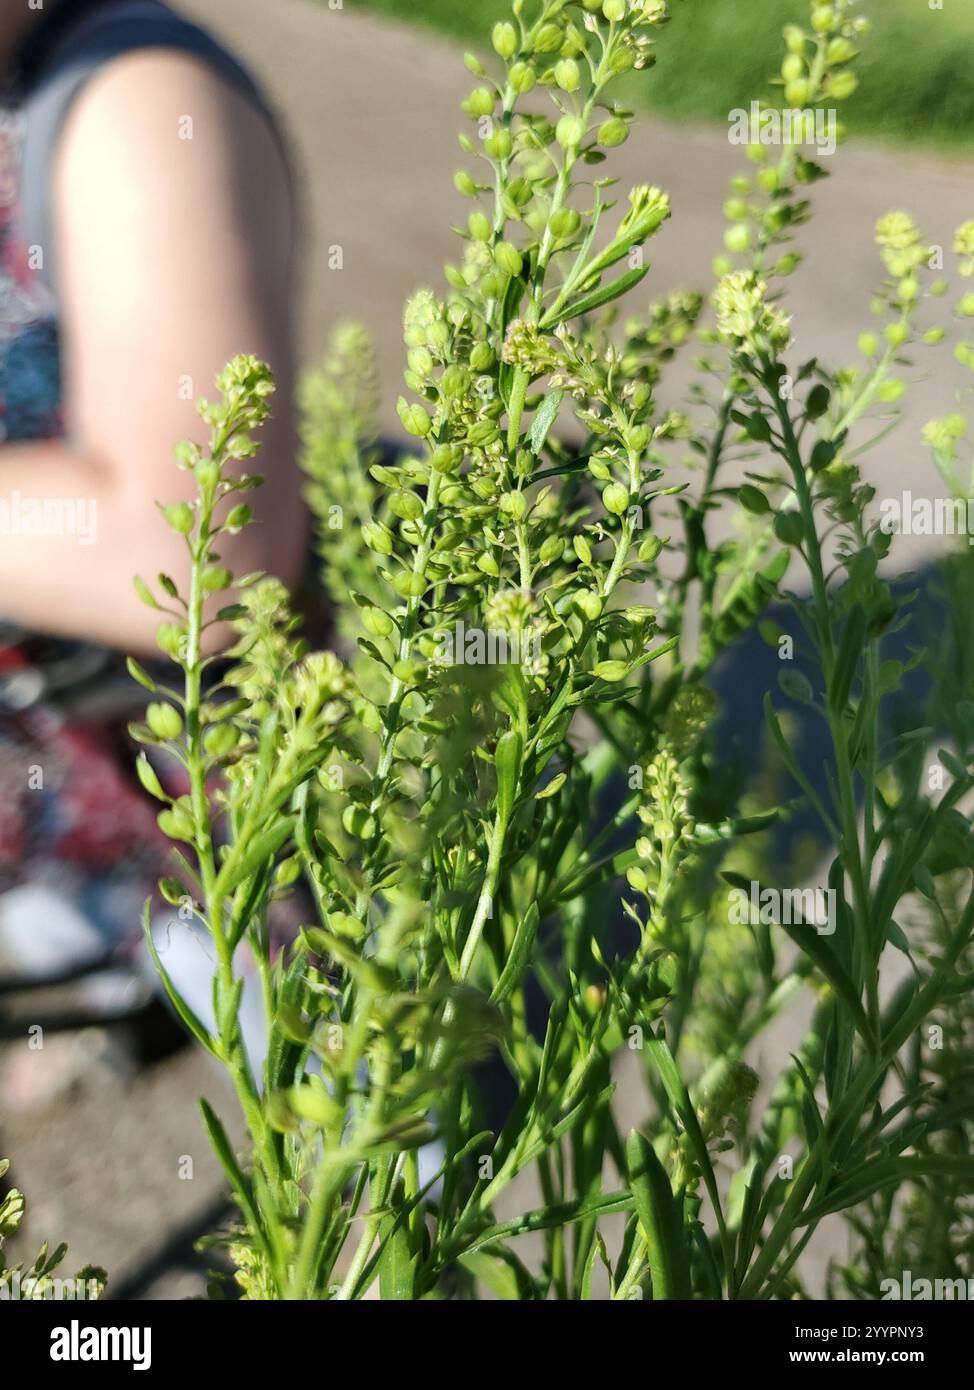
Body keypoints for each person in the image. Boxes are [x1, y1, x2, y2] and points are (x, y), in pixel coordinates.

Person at [0, 0, 307, 1094]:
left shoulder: (134, 97)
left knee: (362, 1161)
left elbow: (199, 561)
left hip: (179, 806)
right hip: (40, 799)